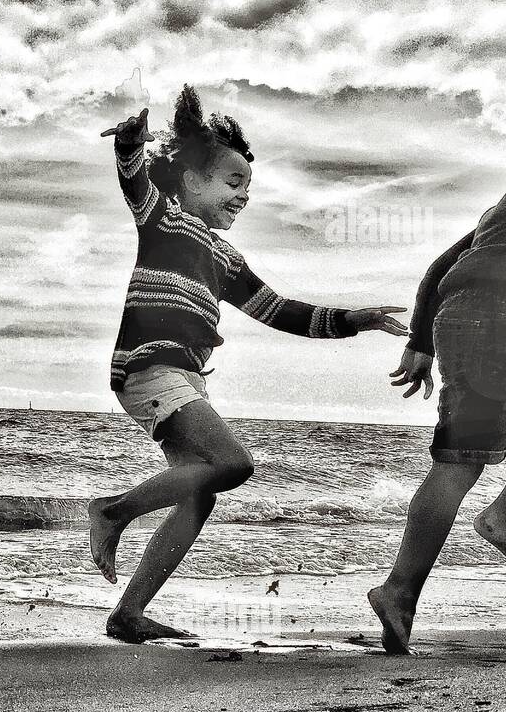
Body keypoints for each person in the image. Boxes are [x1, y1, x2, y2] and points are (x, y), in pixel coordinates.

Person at [91, 85, 407, 643]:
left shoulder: (227, 258)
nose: (242, 196)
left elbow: (280, 311)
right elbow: (133, 180)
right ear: (192, 179)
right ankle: (113, 512)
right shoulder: (162, 220)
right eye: (233, 182)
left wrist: (356, 319)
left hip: (184, 376)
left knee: (201, 491)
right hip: (150, 368)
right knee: (233, 463)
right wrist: (130, 146)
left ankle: (129, 613)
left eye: (248, 187)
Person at [370, 61, 506, 654]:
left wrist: (421, 339)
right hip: (496, 326)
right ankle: (401, 589)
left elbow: (443, 266)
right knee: (460, 462)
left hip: (494, 326)